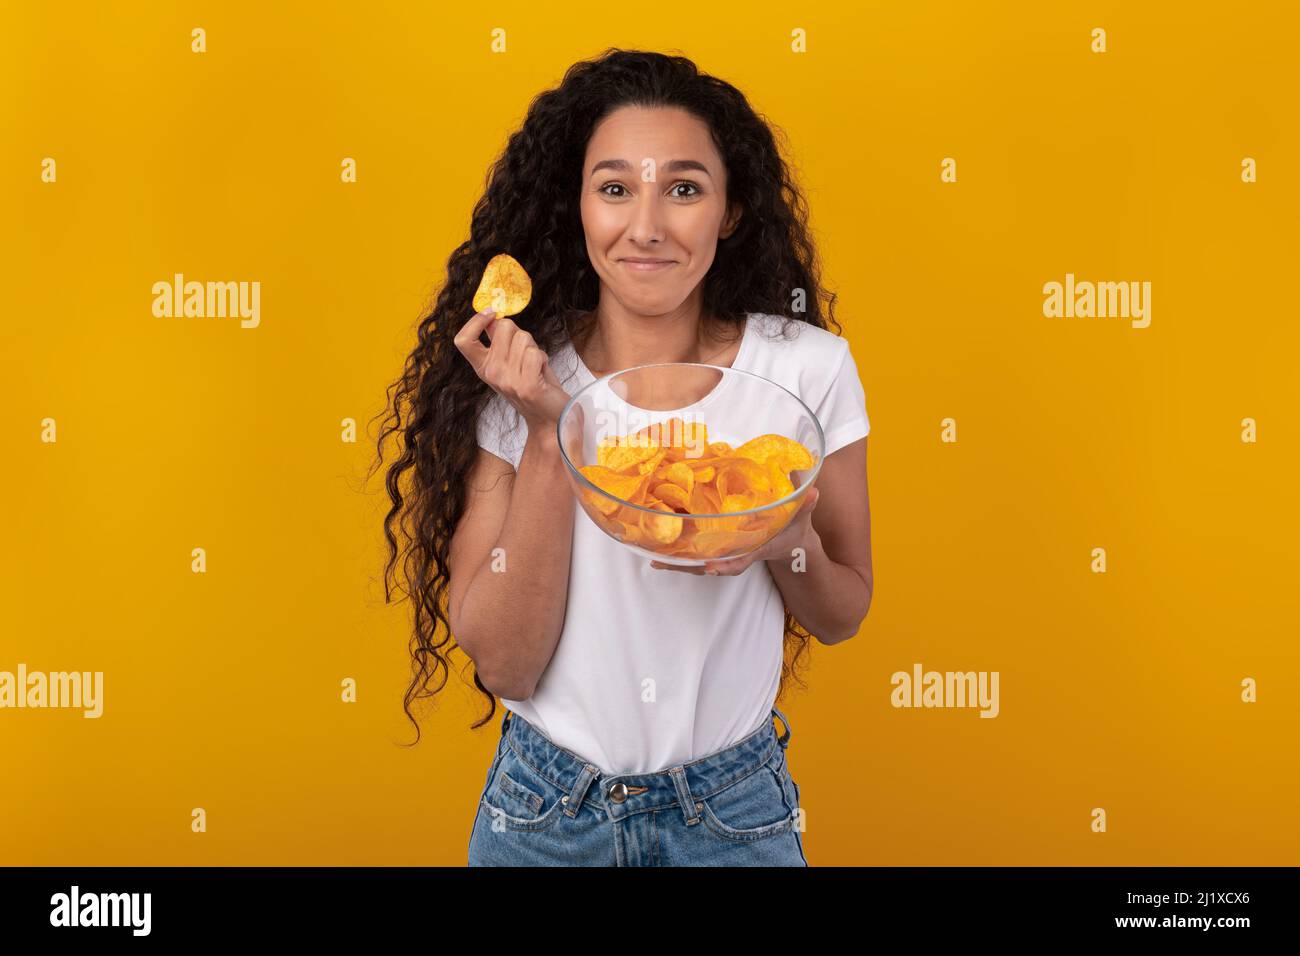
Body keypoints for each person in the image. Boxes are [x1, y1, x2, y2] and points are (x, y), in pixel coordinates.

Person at [372, 49, 873, 866]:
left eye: (683, 188)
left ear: (731, 209)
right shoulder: (520, 372)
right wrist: (548, 430)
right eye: (614, 188)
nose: (646, 225)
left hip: (734, 815)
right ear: (577, 206)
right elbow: (506, 663)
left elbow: (842, 612)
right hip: (544, 816)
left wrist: (782, 536)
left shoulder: (805, 371)